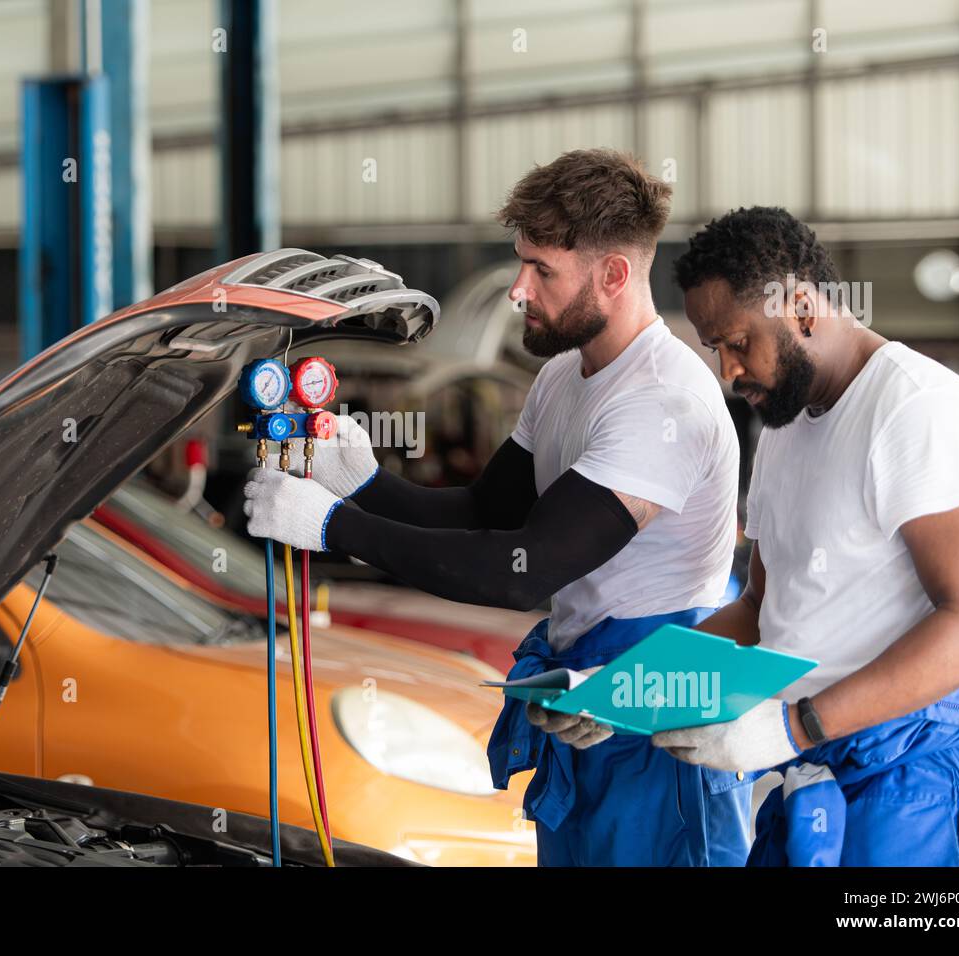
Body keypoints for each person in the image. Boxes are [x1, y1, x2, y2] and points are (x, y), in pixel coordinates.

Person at [245, 149, 752, 865]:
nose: (518, 289)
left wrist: (333, 526)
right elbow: (490, 512)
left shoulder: (660, 402)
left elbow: (522, 569)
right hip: (585, 702)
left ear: (612, 275)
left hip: (657, 724)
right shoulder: (560, 381)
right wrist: (358, 482)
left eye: (541, 269)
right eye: (521, 263)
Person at [659, 205, 959, 865]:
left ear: (801, 308)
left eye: (738, 341)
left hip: (923, 781)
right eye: (715, 348)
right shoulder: (784, 429)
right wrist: (624, 687)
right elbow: (759, 611)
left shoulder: (916, 410)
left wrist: (794, 727)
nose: (728, 372)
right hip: (822, 769)